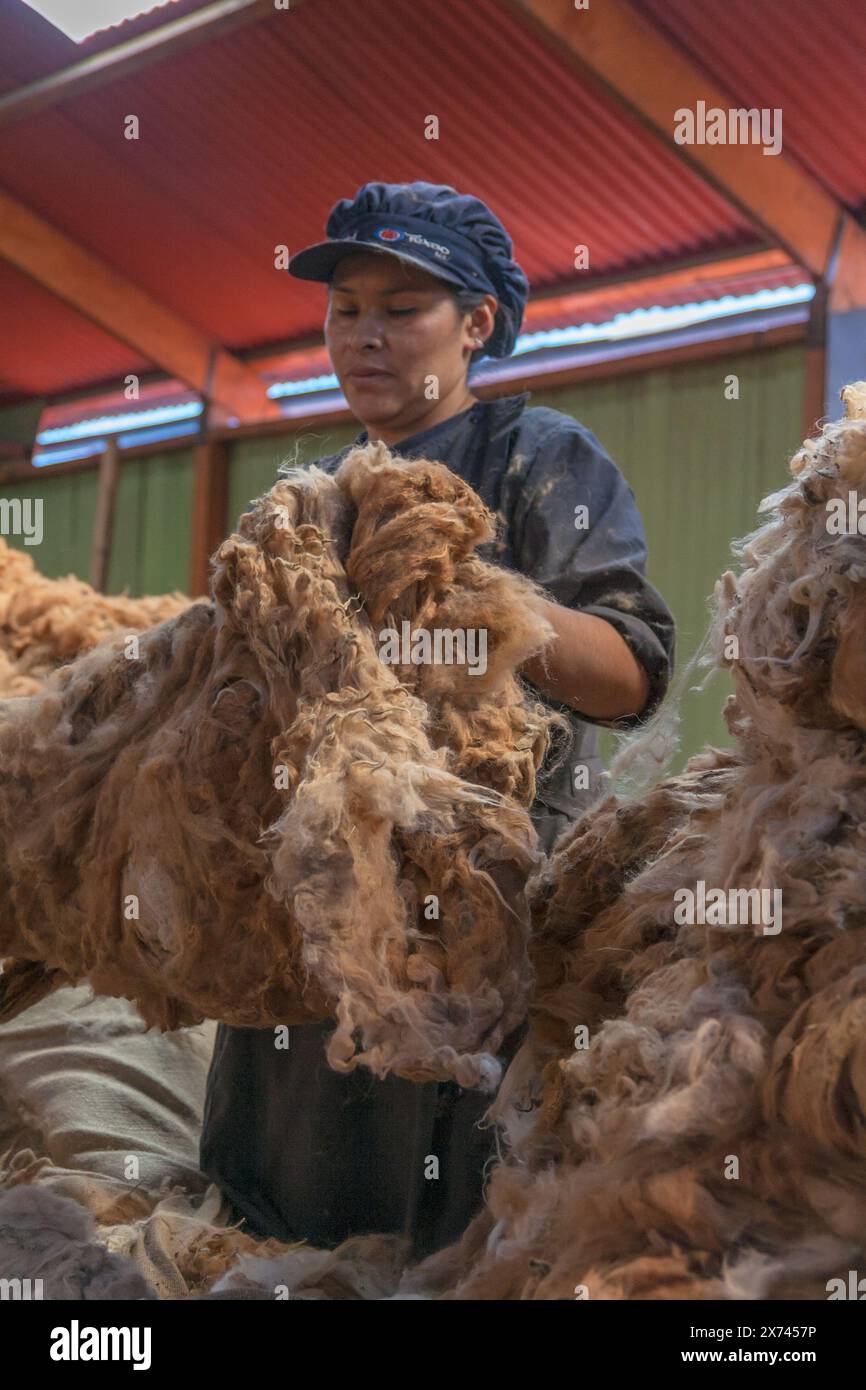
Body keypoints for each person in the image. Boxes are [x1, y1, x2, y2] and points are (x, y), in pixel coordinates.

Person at [201, 181, 676, 1261]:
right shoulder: (312, 494)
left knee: (453, 1220)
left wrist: (478, 603)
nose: (363, 335)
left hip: (482, 907)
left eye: (402, 308)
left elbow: (629, 672)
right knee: (274, 1215)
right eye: (345, 309)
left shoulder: (538, 458)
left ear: (475, 324)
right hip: (317, 898)